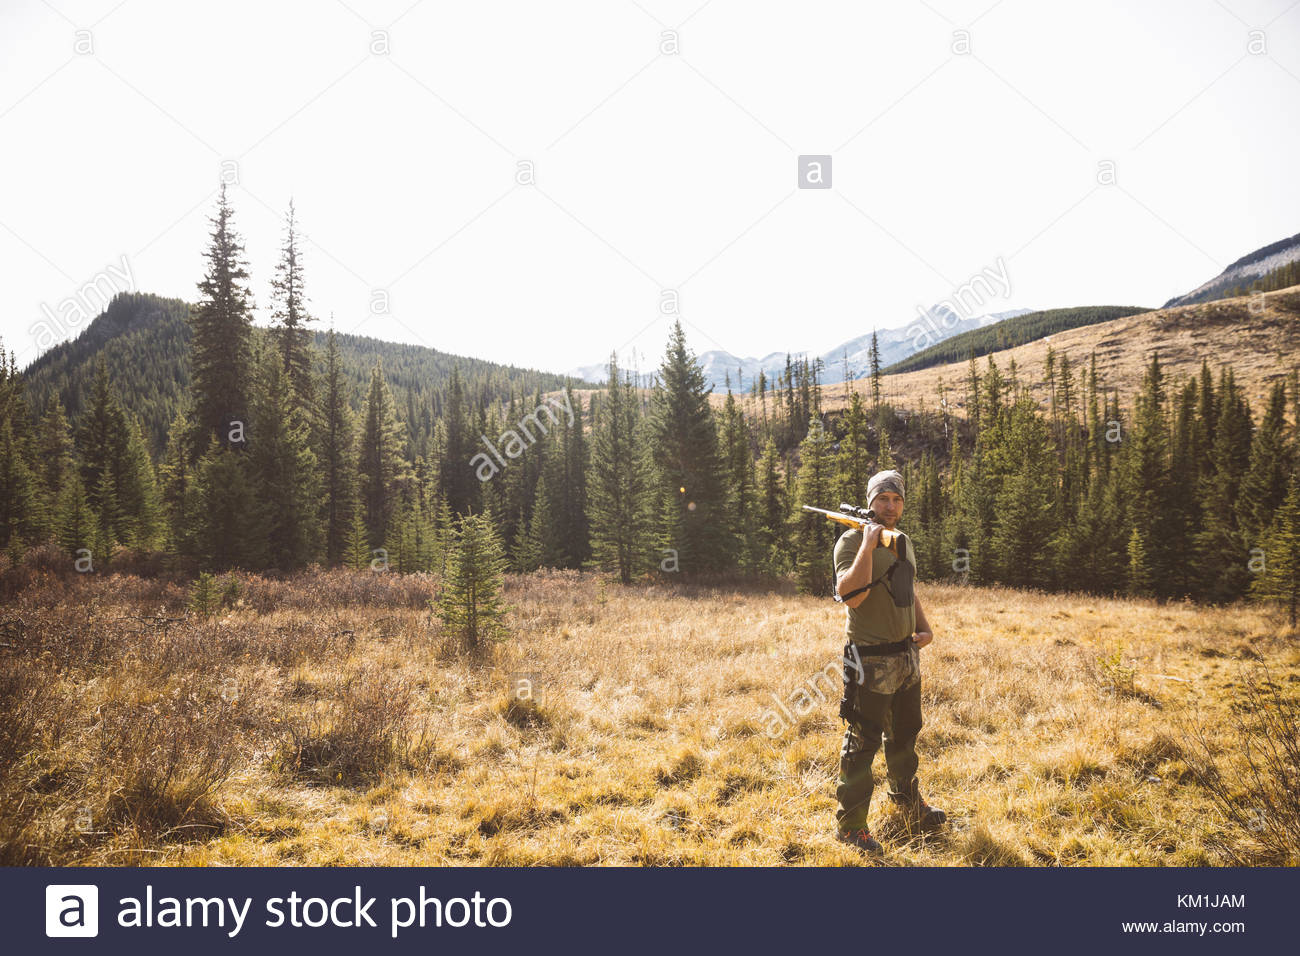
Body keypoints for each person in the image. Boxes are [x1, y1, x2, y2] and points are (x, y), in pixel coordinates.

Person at [832, 468, 946, 857]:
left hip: (906, 657)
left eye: (896, 499)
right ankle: (851, 827)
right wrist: (868, 543)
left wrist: (925, 628)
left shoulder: (903, 541)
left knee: (905, 734)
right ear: (870, 502)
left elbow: (907, 588)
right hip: (870, 658)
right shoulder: (849, 541)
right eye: (883, 499)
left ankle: (906, 801)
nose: (891, 506)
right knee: (862, 743)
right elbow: (851, 596)